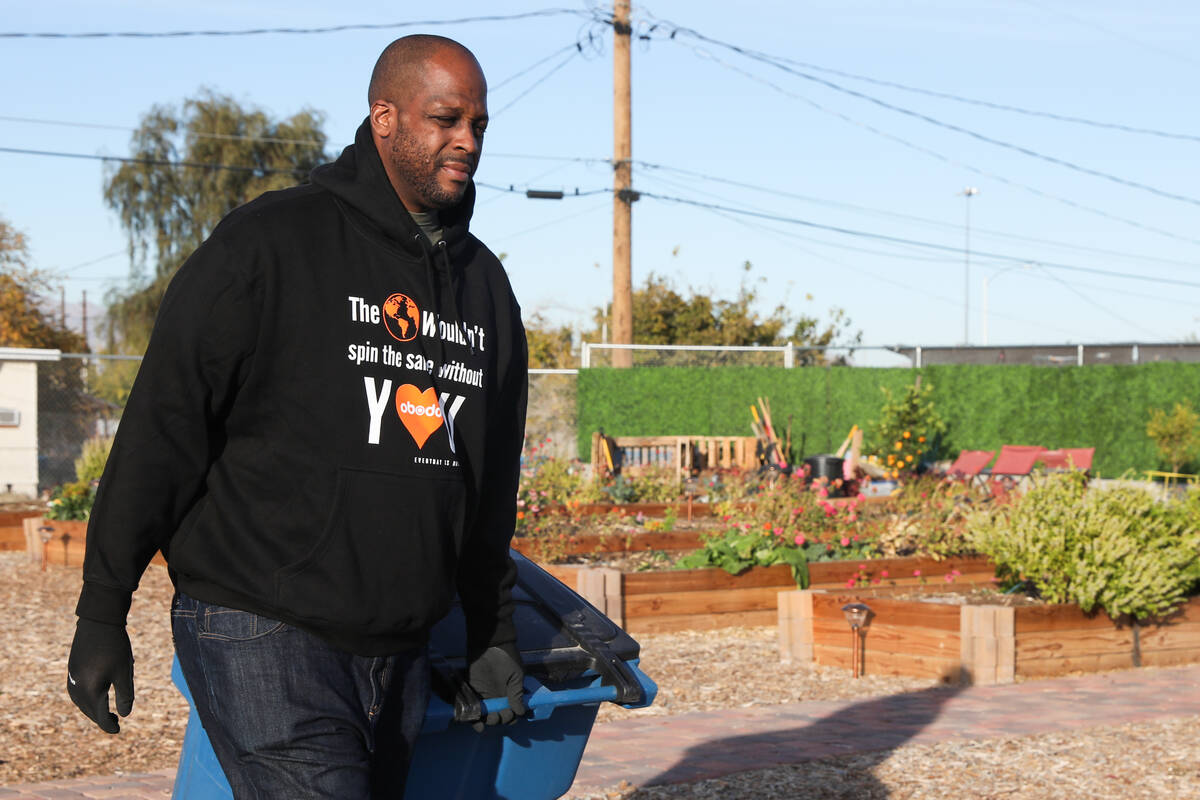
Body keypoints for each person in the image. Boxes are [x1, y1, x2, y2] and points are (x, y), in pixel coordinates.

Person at [66, 34, 528, 798]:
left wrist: (491, 631)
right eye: (445, 119)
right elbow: (165, 424)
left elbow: (487, 479)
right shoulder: (273, 244)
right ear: (384, 116)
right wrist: (101, 610)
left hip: (398, 647)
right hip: (262, 622)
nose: (467, 141)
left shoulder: (484, 289)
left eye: (479, 124)